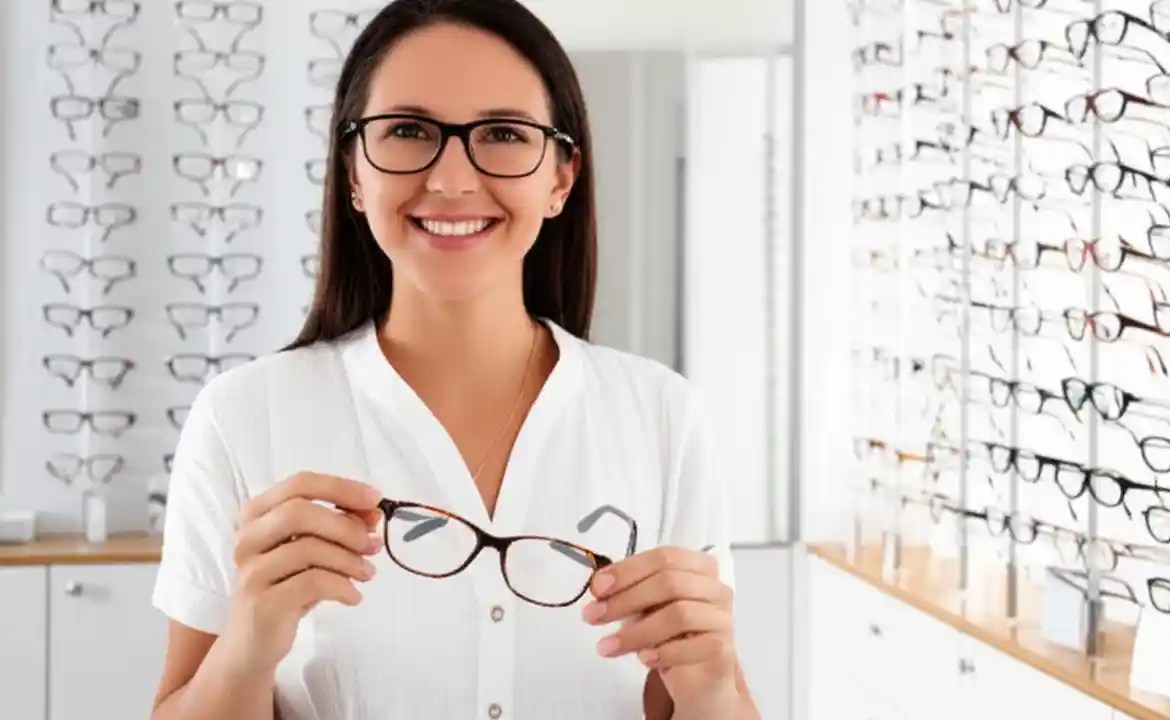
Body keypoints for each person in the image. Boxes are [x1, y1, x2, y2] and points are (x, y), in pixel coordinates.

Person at [148, 1, 758, 718]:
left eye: (502, 134)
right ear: (353, 172)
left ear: (561, 178)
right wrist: (249, 642)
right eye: (408, 131)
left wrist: (715, 687)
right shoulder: (244, 416)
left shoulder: (660, 416)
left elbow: (698, 698)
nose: (452, 179)